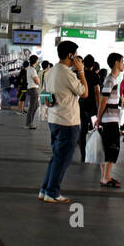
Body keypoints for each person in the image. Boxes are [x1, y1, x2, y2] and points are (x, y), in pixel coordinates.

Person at [39, 40, 86, 204]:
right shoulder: (67, 73)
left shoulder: (51, 71)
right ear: (70, 55)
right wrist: (81, 72)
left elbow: (44, 94)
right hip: (68, 122)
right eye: (76, 55)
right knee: (62, 159)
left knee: (56, 157)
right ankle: (52, 192)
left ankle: (45, 189)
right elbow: (85, 93)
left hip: (54, 119)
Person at [96, 53, 124, 189]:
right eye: (121, 61)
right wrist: (99, 118)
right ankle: (105, 177)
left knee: (107, 148)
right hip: (109, 120)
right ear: (116, 63)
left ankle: (105, 177)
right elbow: (103, 101)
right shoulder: (110, 80)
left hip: (110, 119)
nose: (123, 64)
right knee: (113, 148)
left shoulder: (112, 80)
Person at [23, 55, 41, 129]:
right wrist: (39, 81)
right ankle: (29, 124)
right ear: (35, 61)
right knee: (32, 107)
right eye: (37, 60)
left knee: (36, 106)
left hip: (32, 89)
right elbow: (37, 81)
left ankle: (30, 122)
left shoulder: (30, 69)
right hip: (33, 89)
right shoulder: (32, 70)